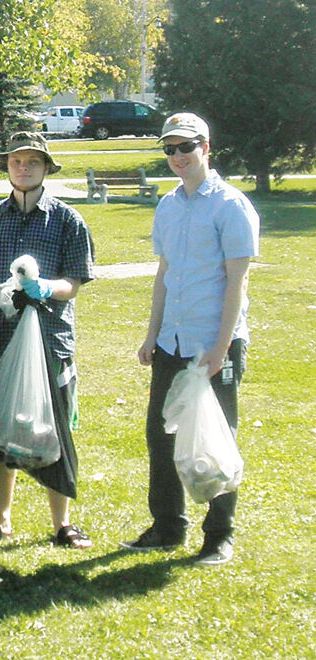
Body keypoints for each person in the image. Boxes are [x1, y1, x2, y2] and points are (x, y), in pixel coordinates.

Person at [121, 113, 259, 566]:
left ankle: (219, 535)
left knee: (217, 439)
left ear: (206, 147)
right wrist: (151, 334)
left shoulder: (231, 206)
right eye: (170, 149)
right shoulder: (169, 205)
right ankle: (166, 527)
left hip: (212, 343)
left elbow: (236, 282)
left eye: (186, 147)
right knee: (160, 436)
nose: (178, 156)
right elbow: (165, 275)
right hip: (171, 343)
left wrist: (221, 349)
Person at [0, 131, 95, 550]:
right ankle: (0, 520)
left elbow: (75, 282)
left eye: (32, 161)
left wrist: (48, 287)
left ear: (46, 167)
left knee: (51, 429)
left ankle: (62, 524)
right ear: (8, 166)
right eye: (17, 160)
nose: (23, 167)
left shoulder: (68, 220)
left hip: (50, 344)